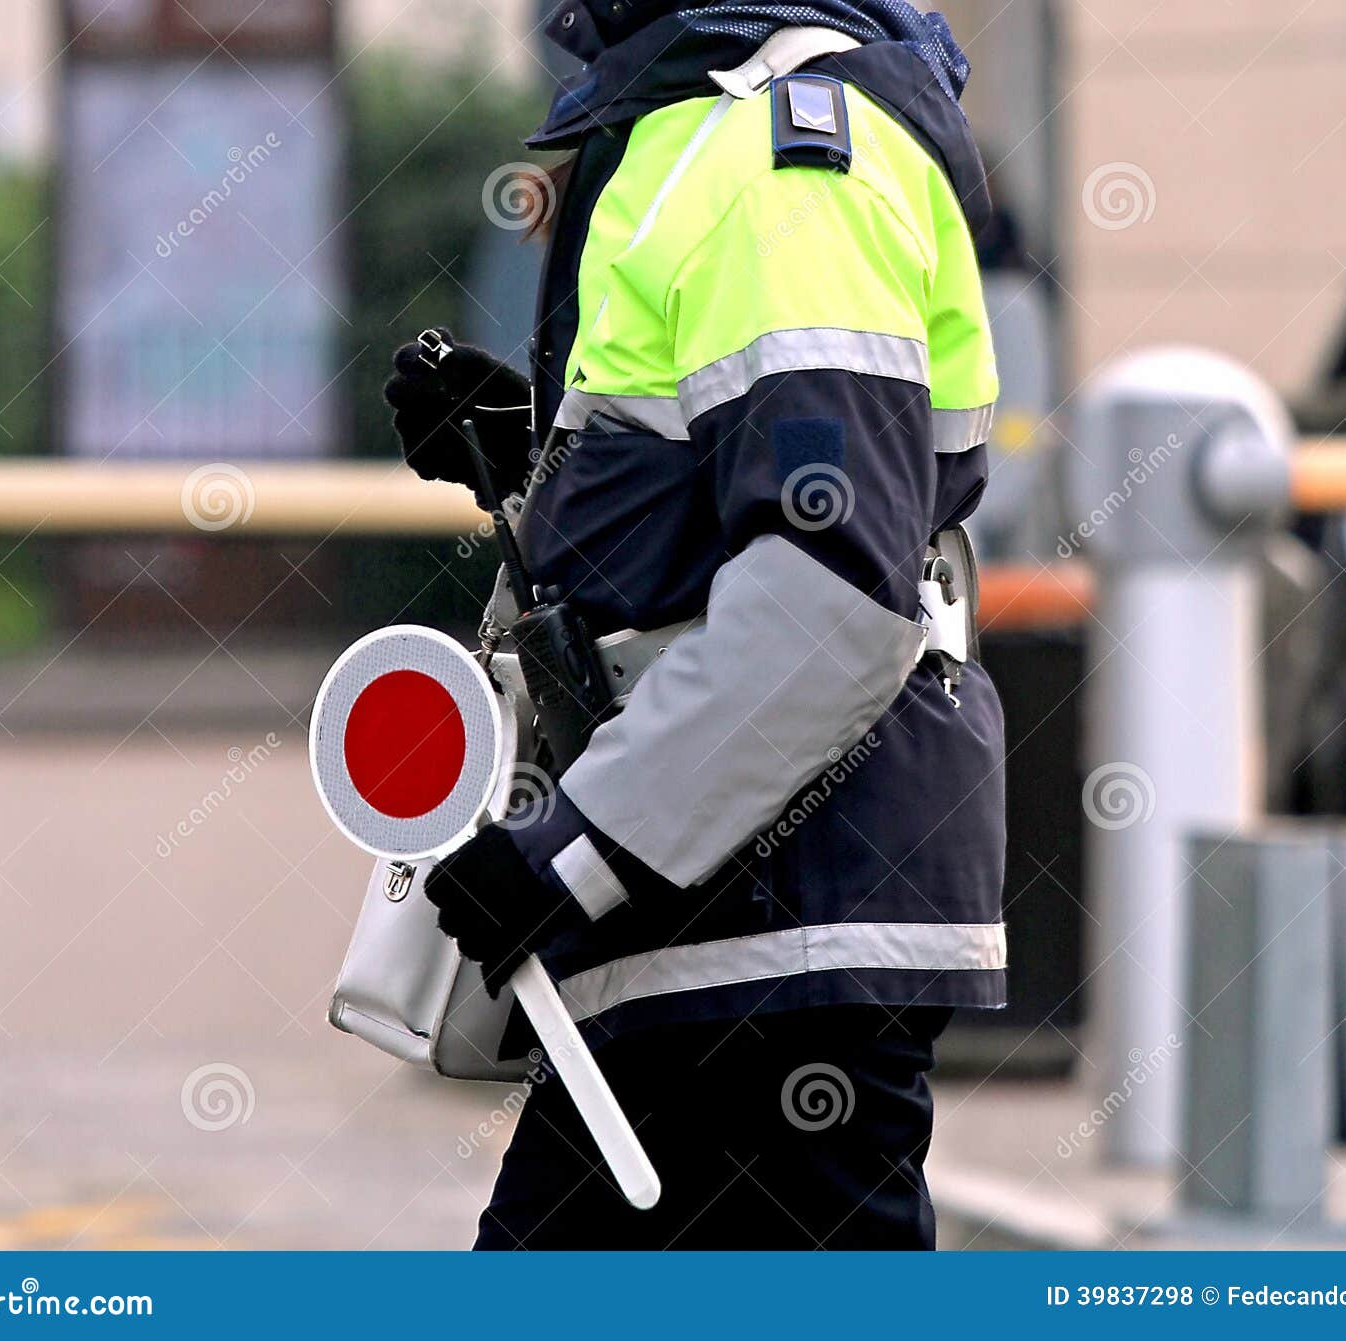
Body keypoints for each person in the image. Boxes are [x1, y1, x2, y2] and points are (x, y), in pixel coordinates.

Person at [384, 0, 1005, 1250]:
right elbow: (742, 505)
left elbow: (832, 597)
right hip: (735, 931)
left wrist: (569, 850)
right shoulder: (711, 126)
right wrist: (534, 458)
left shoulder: (783, 160)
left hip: (770, 937)